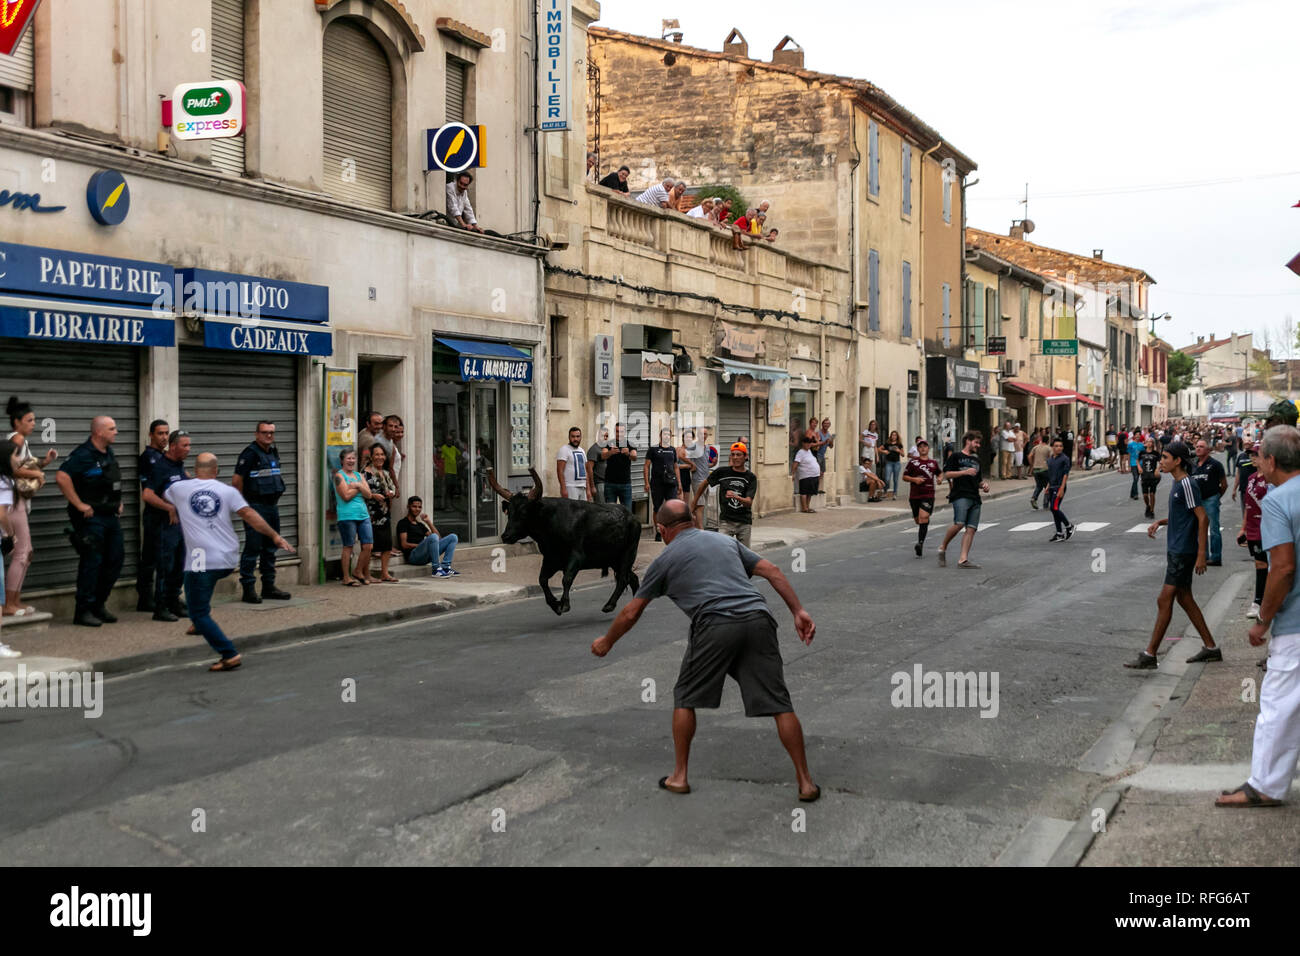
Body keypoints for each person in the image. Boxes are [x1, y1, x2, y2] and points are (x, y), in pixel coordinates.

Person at [590, 499, 819, 802]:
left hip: (715, 626)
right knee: (780, 703)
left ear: (662, 530)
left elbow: (631, 612)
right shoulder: (724, 541)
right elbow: (773, 571)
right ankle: (805, 782)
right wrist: (798, 611)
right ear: (694, 521)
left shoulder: (665, 560)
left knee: (685, 696)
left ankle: (680, 776)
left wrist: (607, 642)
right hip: (758, 619)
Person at [1216, 427, 1300, 807]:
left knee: (1278, 706)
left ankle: (1264, 786)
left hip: (1295, 624)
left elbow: (1281, 569)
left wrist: (1263, 619)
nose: (1257, 465)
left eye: (1259, 458)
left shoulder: (1278, 500)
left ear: (1271, 461)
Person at [165, 452, 295, 672]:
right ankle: (199, 624)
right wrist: (274, 536)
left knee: (196, 605)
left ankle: (228, 653)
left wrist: (188, 477)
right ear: (216, 471)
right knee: (198, 589)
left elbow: (166, 495)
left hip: (200, 558)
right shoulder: (228, 491)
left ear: (195, 470)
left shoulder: (179, 489)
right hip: (227, 557)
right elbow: (251, 515)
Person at [1125, 442, 1220, 669]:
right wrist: (1160, 522)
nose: (1162, 462)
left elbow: (1202, 517)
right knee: (1185, 599)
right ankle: (1211, 648)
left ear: (1177, 460)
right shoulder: (1179, 483)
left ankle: (1150, 654)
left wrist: (1201, 554)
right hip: (1177, 549)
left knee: (1164, 599)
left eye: (1165, 457)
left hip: (1183, 551)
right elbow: (1184, 515)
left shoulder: (1187, 483)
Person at [55, 417, 125, 628]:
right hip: (90, 518)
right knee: (92, 563)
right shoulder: (82, 454)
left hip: (110, 516)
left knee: (115, 559)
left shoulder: (108, 452)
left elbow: (110, 480)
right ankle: (83, 610)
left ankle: (98, 605)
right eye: (112, 428)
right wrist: (79, 504)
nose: (117, 432)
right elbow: (61, 477)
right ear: (99, 432)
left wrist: (118, 502)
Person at [5, 396, 58, 617]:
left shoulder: (19, 441)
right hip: (14, 503)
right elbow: (11, 469)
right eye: (29, 420)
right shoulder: (16, 439)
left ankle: (15, 600)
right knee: (22, 552)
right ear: (17, 422)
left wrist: (43, 463)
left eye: (34, 420)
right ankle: (9, 603)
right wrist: (37, 473)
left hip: (18, 502)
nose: (33, 424)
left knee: (25, 552)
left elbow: (23, 464)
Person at [233, 421, 292, 604]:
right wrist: (244, 508)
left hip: (272, 506)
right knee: (253, 547)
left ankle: (268, 586)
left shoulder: (273, 451)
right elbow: (236, 482)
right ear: (256, 434)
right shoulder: (249, 454)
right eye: (265, 432)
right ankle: (248, 589)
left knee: (270, 547)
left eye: (272, 433)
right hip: (255, 507)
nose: (269, 436)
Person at [139, 430, 192, 622]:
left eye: (189, 445)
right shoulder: (160, 466)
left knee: (179, 564)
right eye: (184, 445)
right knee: (165, 566)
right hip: (162, 524)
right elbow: (148, 495)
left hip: (179, 525)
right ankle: (160, 607)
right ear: (174, 446)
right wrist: (168, 507)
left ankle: (173, 601)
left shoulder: (178, 466)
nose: (188, 449)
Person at [937, 431, 990, 570]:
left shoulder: (976, 460)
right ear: (968, 441)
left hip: (975, 497)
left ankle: (963, 559)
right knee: (959, 523)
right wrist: (964, 472)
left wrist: (983, 485)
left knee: (971, 528)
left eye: (979, 443)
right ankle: (943, 547)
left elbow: (978, 480)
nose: (978, 445)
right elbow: (946, 474)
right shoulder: (956, 456)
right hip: (960, 495)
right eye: (976, 442)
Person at [134, 419, 170, 613]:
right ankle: (146, 599)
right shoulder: (148, 457)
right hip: (154, 514)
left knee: (161, 558)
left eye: (166, 433)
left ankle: (159, 597)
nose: (164, 437)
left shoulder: (165, 457)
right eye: (160, 433)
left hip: (166, 515)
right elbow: (148, 492)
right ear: (151, 435)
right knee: (151, 558)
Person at [691, 441, 757, 546]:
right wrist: (694, 502)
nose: (735, 457)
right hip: (726, 521)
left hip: (744, 522)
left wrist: (736, 496)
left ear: (745, 457)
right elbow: (704, 483)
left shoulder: (751, 477)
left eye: (739, 455)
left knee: (745, 555)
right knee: (722, 549)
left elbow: (749, 502)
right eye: (733, 454)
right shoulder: (722, 472)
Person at [334, 448, 375, 586]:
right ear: (342, 461)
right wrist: (360, 489)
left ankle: (358, 571)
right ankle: (346, 577)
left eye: (353, 458)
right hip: (347, 516)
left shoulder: (358, 476)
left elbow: (369, 494)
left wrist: (356, 485)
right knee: (348, 546)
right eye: (348, 458)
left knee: (368, 545)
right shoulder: (339, 476)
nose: (351, 461)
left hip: (363, 514)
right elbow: (345, 496)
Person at [0, 439, 25, 657]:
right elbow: (1, 514)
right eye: (15, 455)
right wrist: (9, 535)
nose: (18, 459)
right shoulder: (5, 482)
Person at [1239, 444, 1269, 620]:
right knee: (1259, 563)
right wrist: (1243, 528)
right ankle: (1260, 600)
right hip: (1252, 528)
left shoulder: (1270, 479)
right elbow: (1248, 507)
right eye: (1250, 455)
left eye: (1256, 455)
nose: (1252, 458)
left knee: (1265, 564)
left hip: (1266, 527)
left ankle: (1260, 601)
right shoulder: (1251, 478)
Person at [396, 496, 459, 577]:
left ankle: (446, 567)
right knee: (432, 537)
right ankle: (436, 569)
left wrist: (428, 522)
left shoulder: (420, 525)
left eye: (419, 507)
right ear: (408, 507)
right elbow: (404, 544)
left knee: (453, 537)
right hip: (413, 556)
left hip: (425, 556)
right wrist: (422, 546)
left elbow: (438, 538)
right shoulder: (403, 523)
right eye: (414, 506)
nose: (417, 509)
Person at [1191, 438, 1228, 566]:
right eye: (1197, 446)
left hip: (1210, 499)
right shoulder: (1193, 465)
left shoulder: (1215, 464)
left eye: (1201, 446)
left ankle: (1216, 556)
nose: (1198, 448)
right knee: (1200, 529)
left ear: (1207, 450)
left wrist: (1217, 497)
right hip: (1197, 501)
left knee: (1213, 529)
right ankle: (1203, 555)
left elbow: (1224, 484)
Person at [365, 444, 399, 582]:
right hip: (371, 514)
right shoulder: (365, 473)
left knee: (386, 544)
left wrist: (391, 493)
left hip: (384, 513)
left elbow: (393, 488)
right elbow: (362, 492)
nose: (380, 457)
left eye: (382, 454)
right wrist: (373, 496)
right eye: (377, 454)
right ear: (371, 456)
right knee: (369, 546)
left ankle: (385, 573)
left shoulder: (385, 473)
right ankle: (366, 573)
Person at [902, 439, 941, 557]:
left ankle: (920, 543)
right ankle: (925, 522)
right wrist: (915, 480)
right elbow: (904, 477)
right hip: (914, 495)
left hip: (928, 494)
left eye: (925, 446)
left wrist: (939, 479)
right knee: (918, 520)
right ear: (918, 449)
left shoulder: (933, 463)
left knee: (923, 517)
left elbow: (939, 473)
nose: (923, 448)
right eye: (920, 447)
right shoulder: (913, 462)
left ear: (928, 449)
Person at [645, 427, 684, 539]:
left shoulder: (672, 450)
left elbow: (676, 467)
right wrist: (646, 483)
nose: (666, 436)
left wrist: (679, 483)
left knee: (671, 507)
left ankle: (670, 531)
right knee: (657, 508)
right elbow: (646, 466)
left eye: (668, 435)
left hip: (671, 483)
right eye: (664, 434)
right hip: (657, 483)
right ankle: (658, 531)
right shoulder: (653, 449)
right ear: (660, 436)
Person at [600, 423, 637, 510]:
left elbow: (634, 457)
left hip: (625, 484)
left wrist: (628, 453)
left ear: (624, 432)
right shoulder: (609, 443)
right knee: (610, 512)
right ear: (614, 432)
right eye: (617, 431)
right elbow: (603, 456)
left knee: (627, 511)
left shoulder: (630, 444)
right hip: (610, 483)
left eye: (621, 431)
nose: (619, 434)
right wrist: (610, 452)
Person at [1045, 439, 1075, 542]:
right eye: (1056, 446)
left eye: (1061, 446)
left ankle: (1069, 525)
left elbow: (1065, 474)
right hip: (1052, 486)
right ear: (1052, 447)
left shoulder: (1065, 459)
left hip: (1059, 486)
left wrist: (1062, 488)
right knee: (1054, 510)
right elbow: (1051, 474)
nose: (1059, 448)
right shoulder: (1050, 460)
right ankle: (1059, 533)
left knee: (1054, 507)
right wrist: (1048, 486)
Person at [556, 426, 594, 502]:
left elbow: (585, 471)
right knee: (571, 512)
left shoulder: (582, 451)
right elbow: (560, 471)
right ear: (569, 437)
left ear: (581, 437)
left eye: (577, 436)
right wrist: (563, 489)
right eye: (573, 436)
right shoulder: (564, 450)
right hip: (570, 487)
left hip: (583, 487)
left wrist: (588, 489)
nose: (575, 439)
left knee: (583, 512)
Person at [682, 428, 711, 528]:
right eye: (702, 434)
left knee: (698, 505)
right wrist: (691, 465)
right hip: (698, 480)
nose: (704, 436)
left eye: (706, 434)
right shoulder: (693, 447)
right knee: (700, 506)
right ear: (698, 435)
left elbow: (706, 464)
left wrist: (713, 463)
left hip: (707, 480)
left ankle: (688, 523)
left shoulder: (707, 448)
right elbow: (682, 457)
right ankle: (701, 530)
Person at [792, 434, 821, 514]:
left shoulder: (809, 451)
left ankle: (807, 507)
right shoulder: (800, 452)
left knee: (810, 492)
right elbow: (795, 463)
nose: (808, 444)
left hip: (813, 475)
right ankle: (804, 508)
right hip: (805, 475)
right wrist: (793, 473)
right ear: (803, 443)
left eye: (809, 443)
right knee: (804, 492)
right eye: (807, 443)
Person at [1232, 433, 1258, 517]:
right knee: (1245, 514)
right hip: (1243, 490)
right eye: (1245, 440)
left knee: (1255, 514)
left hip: (1255, 489)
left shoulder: (1257, 456)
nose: (1246, 442)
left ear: (1253, 442)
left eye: (1249, 440)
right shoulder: (1241, 456)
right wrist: (1234, 489)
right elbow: (1238, 473)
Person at [1137, 437, 1162, 520]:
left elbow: (1160, 462)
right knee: (1145, 495)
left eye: (1150, 442)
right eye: (1147, 442)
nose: (1149, 443)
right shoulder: (1142, 452)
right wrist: (1139, 467)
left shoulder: (1156, 453)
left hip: (1153, 476)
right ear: (1145, 443)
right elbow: (1137, 460)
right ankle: (1148, 506)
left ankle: (1152, 511)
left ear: (1153, 444)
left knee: (1152, 494)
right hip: (1144, 475)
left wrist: (1157, 469)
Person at [1027, 433, 1052, 510]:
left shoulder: (1036, 447)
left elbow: (1029, 456)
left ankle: (1034, 498)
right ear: (1048, 441)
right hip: (1044, 469)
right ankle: (1046, 502)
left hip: (1036, 469)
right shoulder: (1048, 448)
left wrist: (1032, 464)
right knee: (1048, 486)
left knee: (1039, 485)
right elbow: (1051, 459)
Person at [587, 426, 610, 505]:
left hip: (608, 484)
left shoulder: (608, 449)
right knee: (602, 508)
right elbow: (589, 469)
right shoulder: (594, 449)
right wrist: (592, 487)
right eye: (602, 435)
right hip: (599, 484)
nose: (605, 437)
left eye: (606, 436)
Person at [880, 430, 902, 499]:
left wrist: (899, 451)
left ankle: (895, 494)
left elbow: (903, 454)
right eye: (893, 435)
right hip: (889, 463)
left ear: (897, 436)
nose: (894, 436)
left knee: (895, 479)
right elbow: (878, 449)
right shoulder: (887, 444)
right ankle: (885, 492)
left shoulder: (899, 444)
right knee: (887, 479)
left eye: (895, 435)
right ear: (891, 436)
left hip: (897, 463)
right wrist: (884, 451)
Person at [1127, 430, 1145, 499]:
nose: (1137, 436)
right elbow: (1129, 455)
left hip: (1140, 464)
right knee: (1136, 478)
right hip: (1133, 463)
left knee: (1137, 479)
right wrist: (1128, 466)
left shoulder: (1141, 445)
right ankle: (1135, 494)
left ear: (1140, 436)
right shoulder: (1130, 445)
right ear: (1134, 436)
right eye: (1136, 435)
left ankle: (1132, 493)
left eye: (1139, 435)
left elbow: (1143, 455)